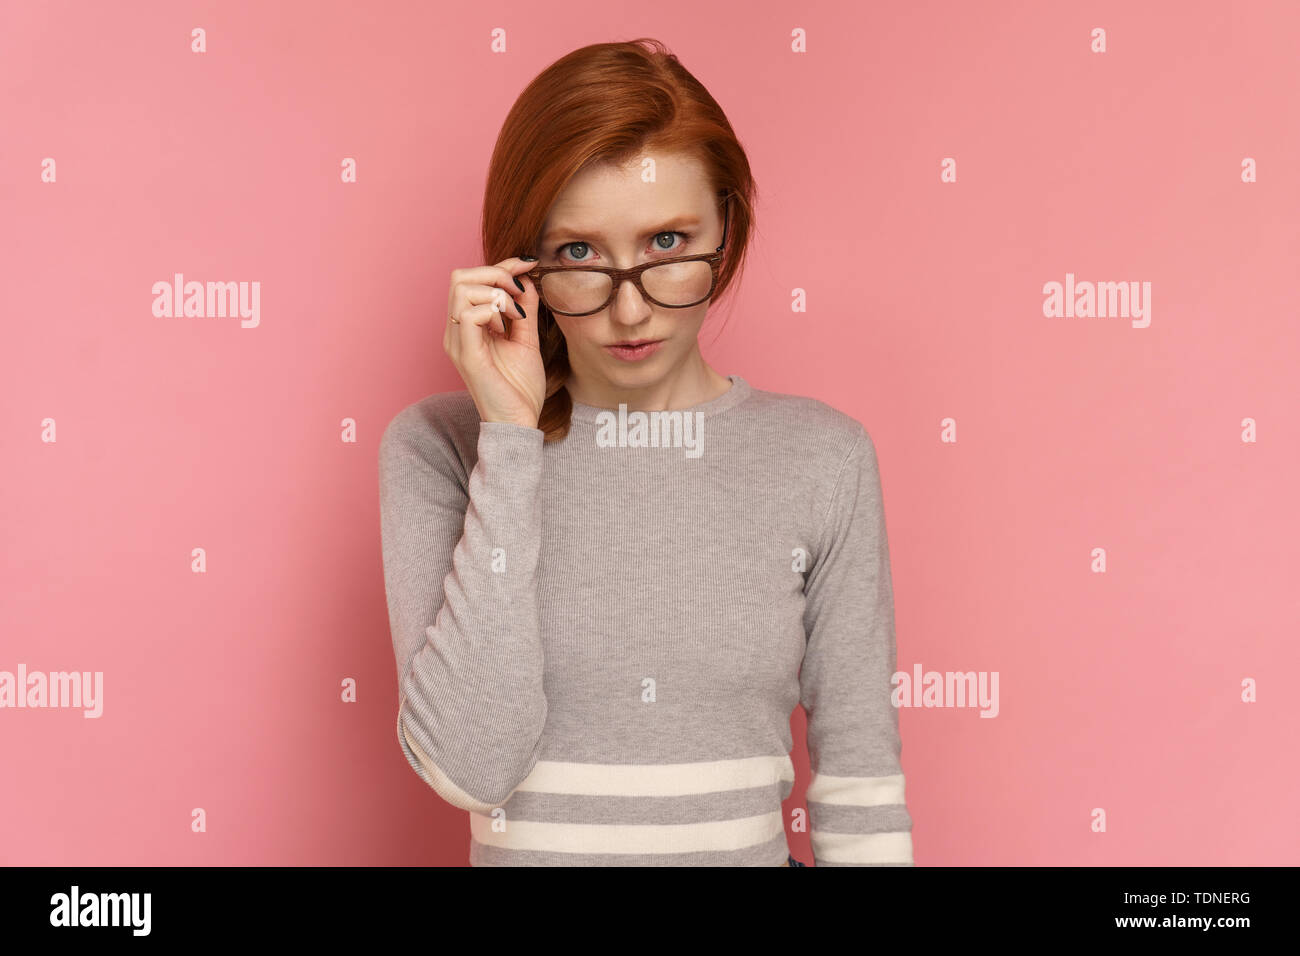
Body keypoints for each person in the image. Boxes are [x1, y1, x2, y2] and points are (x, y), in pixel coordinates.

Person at [378, 38, 914, 866]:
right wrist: (512, 438)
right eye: (581, 254)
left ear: (726, 229)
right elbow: (473, 769)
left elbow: (860, 780)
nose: (631, 313)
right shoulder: (442, 449)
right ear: (520, 265)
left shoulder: (823, 457)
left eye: (668, 244)